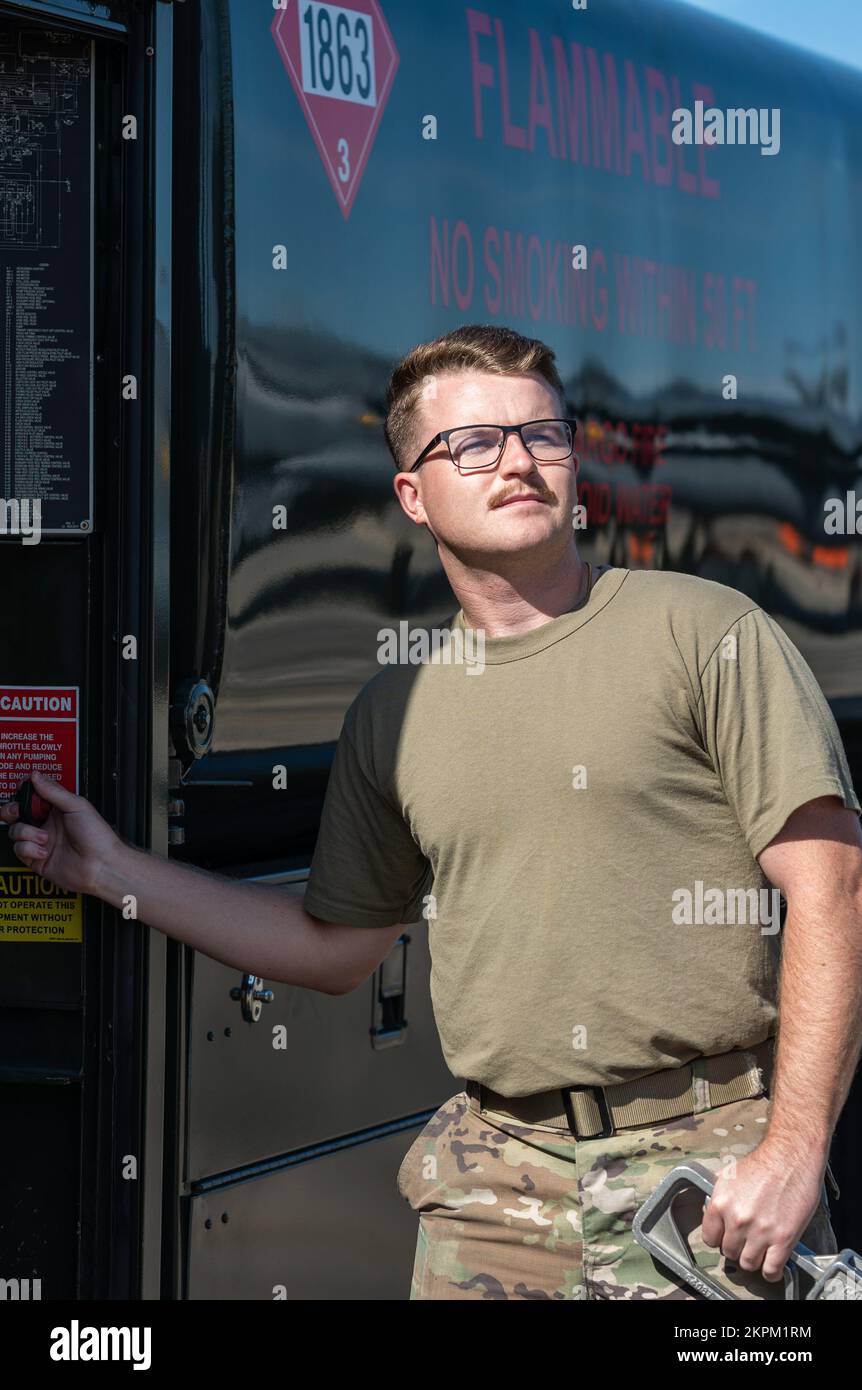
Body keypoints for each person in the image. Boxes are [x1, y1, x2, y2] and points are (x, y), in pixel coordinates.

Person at [4, 323, 862, 1302]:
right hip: (491, 1185)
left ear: (574, 459)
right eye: (473, 443)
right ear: (412, 491)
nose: (517, 461)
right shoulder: (394, 708)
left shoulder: (706, 633)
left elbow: (832, 887)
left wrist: (792, 1151)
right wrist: (112, 873)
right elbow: (336, 946)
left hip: (701, 1184)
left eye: (542, 434)